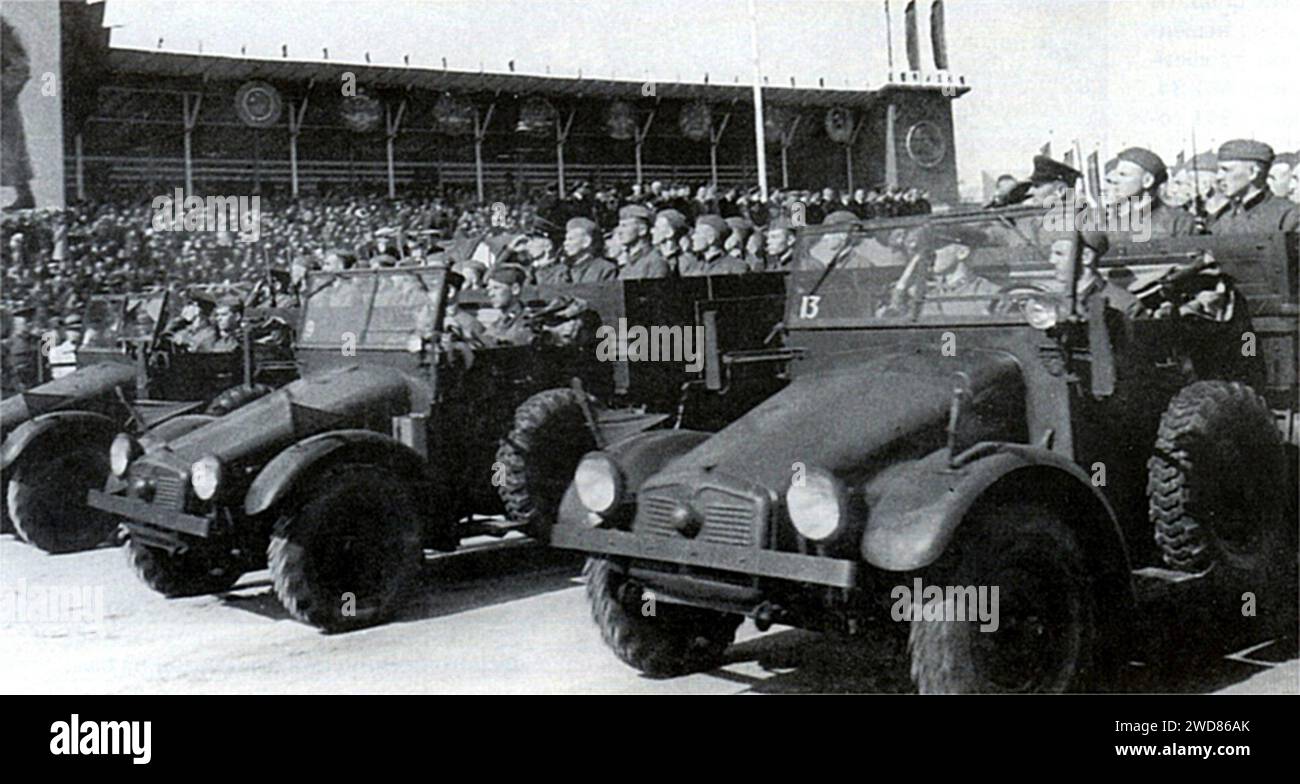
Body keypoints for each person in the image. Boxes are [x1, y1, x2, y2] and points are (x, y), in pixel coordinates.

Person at [881, 225, 1003, 317]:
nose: (929, 253)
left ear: (962, 252)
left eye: (937, 247)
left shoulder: (989, 294)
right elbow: (893, 316)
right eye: (926, 248)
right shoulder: (927, 294)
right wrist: (908, 275)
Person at [1207, 139, 1299, 235]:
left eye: (1226, 170)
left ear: (1253, 173)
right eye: (1219, 170)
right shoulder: (1221, 220)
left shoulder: (1288, 216)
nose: (1218, 177)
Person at [1103, 147, 1197, 240]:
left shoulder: (1179, 221)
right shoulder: (1115, 224)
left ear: (1147, 180)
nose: (1115, 180)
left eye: (1123, 175)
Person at [1046, 230, 1143, 318]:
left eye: (1059, 254)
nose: (1051, 260)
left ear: (1086, 257)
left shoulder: (1124, 305)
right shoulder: (1050, 303)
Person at [679, 215, 749, 276]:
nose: (693, 237)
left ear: (711, 239)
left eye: (698, 233)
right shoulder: (692, 267)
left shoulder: (735, 267)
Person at [616, 204, 671, 280]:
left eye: (624, 226)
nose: (619, 231)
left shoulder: (655, 263)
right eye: (619, 226)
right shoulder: (627, 265)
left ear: (642, 230)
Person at [562, 217, 618, 282]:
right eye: (566, 239)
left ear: (586, 242)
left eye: (571, 239)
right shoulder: (564, 271)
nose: (565, 243)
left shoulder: (604, 269)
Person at [651, 208, 691, 274]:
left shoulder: (683, 262)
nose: (652, 231)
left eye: (657, 227)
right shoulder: (654, 256)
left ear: (670, 233)